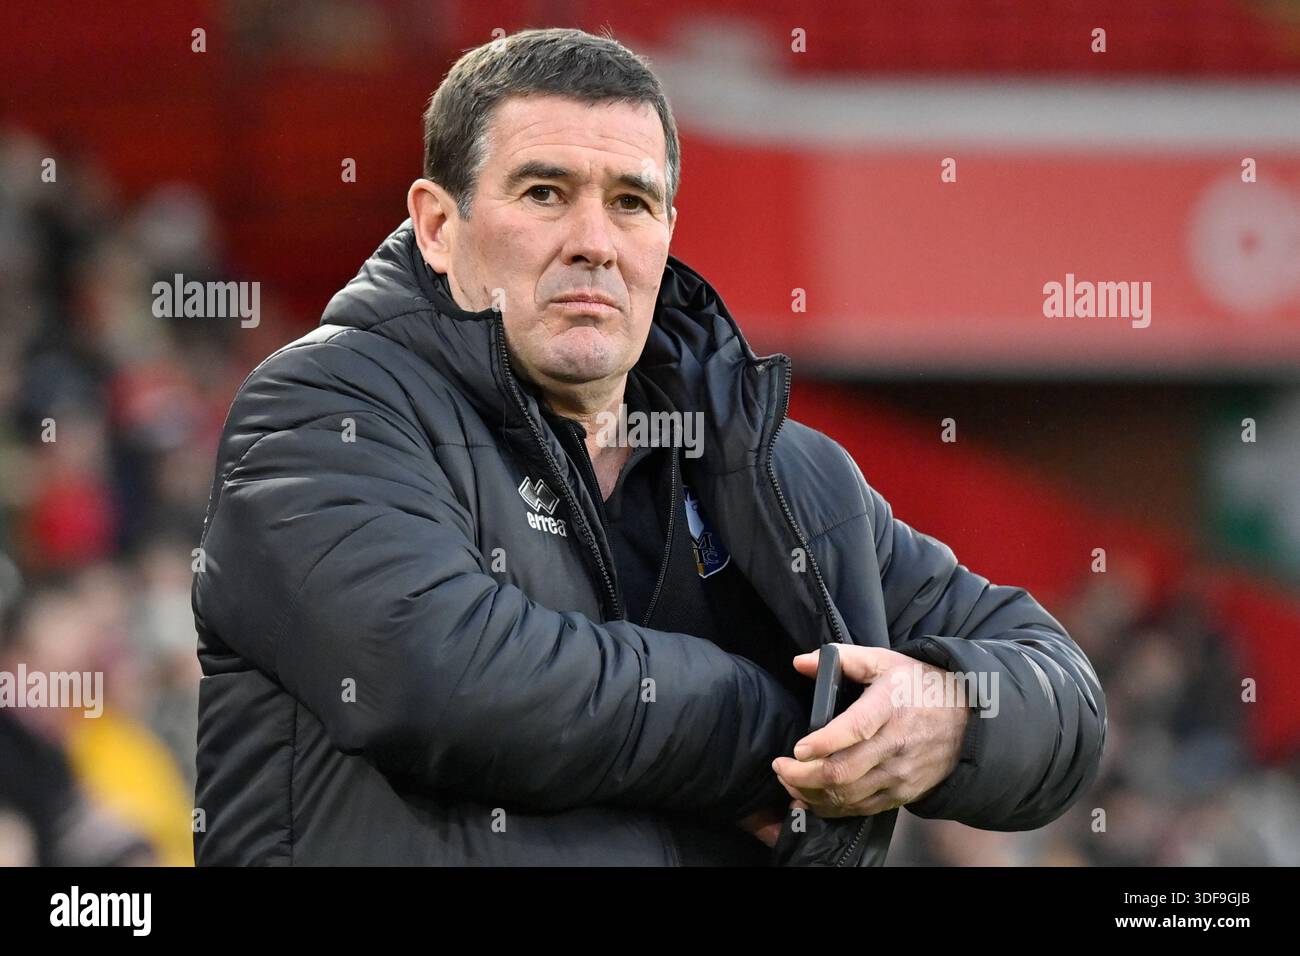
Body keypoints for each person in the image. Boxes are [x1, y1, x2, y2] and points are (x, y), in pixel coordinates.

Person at [191, 27, 1106, 866]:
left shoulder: (786, 474)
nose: (593, 242)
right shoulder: (324, 409)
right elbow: (443, 676)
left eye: (631, 203)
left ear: (666, 235)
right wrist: (792, 731)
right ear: (438, 225)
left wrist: (946, 711)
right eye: (545, 193)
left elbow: (1062, 691)